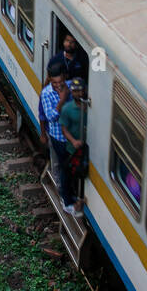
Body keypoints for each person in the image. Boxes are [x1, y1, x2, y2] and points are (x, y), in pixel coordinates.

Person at [39, 60, 76, 215]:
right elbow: (50, 117)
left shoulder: (71, 86)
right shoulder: (47, 94)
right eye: (54, 83)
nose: (58, 85)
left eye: (60, 82)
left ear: (65, 78)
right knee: (64, 168)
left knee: (71, 167)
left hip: (72, 136)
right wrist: (61, 101)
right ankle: (66, 200)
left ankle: (70, 193)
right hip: (59, 138)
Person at [60, 77, 89, 216]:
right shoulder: (67, 109)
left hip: (86, 150)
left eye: (80, 90)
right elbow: (64, 129)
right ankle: (70, 201)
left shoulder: (89, 108)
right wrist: (73, 141)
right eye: (75, 91)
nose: (77, 93)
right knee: (70, 176)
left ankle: (80, 199)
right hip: (72, 150)